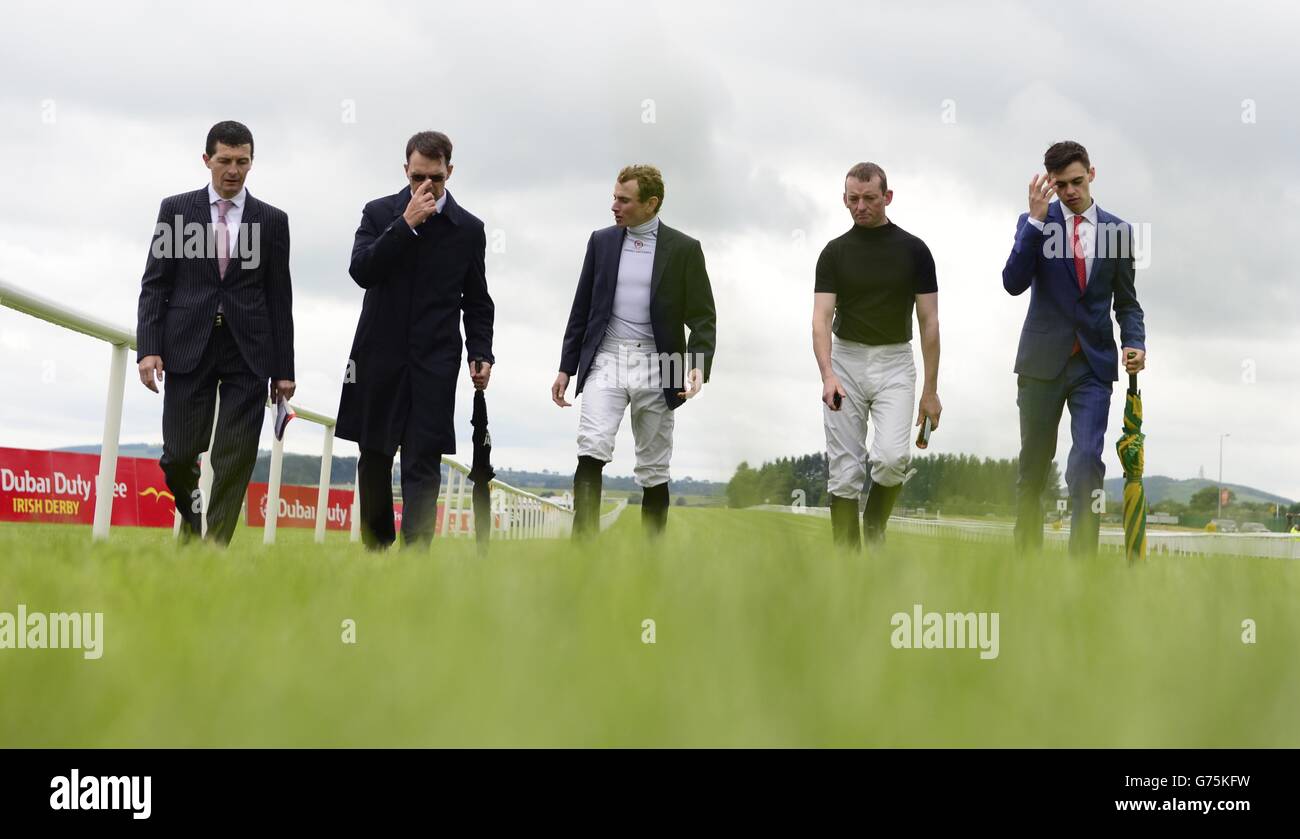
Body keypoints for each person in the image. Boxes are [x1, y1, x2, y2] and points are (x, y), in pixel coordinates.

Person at [136, 120, 295, 545]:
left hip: (250, 350)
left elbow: (281, 299)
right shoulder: (176, 209)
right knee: (178, 456)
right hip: (187, 344)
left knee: (235, 456)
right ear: (206, 160)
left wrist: (284, 369)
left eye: (242, 162)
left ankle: (215, 548)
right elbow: (156, 283)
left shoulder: (273, 221)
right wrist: (148, 347)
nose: (233, 170)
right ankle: (194, 524)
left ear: (252, 163)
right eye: (224, 160)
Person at [336, 131, 494, 550]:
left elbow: (477, 301)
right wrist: (404, 224)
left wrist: (481, 350)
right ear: (405, 170)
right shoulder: (377, 213)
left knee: (423, 460)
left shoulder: (469, 229)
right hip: (377, 356)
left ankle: (416, 555)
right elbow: (361, 271)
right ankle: (377, 548)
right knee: (373, 456)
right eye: (418, 177)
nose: (426, 186)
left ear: (450, 172)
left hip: (435, 360)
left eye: (436, 178)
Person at [553, 165, 716, 539]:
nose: (614, 205)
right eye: (614, 197)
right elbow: (581, 309)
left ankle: (651, 557)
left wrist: (698, 365)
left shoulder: (685, 249)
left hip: (664, 363)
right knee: (591, 447)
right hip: (606, 358)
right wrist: (566, 368)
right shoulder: (601, 242)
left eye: (623, 200)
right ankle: (583, 549)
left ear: (651, 203)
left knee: (655, 467)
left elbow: (704, 316)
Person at [1002, 140, 1146, 558]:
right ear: (1049, 183)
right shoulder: (1035, 223)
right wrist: (1032, 222)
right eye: (1060, 184)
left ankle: (1081, 566)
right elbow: (1012, 283)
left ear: (1092, 174)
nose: (1069, 191)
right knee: (1033, 467)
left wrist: (1135, 341)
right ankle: (1025, 560)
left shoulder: (1118, 232)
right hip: (1041, 365)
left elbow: (1127, 301)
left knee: (1086, 463)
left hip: (1093, 365)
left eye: (1076, 181)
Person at [814, 162, 942, 550]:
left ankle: (874, 528)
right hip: (846, 362)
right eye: (853, 199)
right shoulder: (833, 253)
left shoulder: (915, 251)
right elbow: (820, 319)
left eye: (870, 198)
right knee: (845, 469)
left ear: (887, 196)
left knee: (889, 460)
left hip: (895, 364)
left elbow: (930, 322)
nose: (861, 206)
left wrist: (930, 391)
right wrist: (827, 376)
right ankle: (847, 564)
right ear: (844, 199)